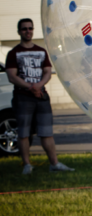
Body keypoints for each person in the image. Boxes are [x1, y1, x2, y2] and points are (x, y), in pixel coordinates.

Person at [4, 18, 73, 175]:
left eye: (30, 28)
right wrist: (30, 87)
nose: (27, 31)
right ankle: (27, 164)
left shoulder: (41, 51)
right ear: (19, 32)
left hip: (41, 96)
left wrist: (39, 85)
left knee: (46, 131)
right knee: (24, 132)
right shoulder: (13, 53)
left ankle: (54, 163)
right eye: (24, 29)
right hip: (23, 97)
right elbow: (12, 76)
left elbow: (48, 71)